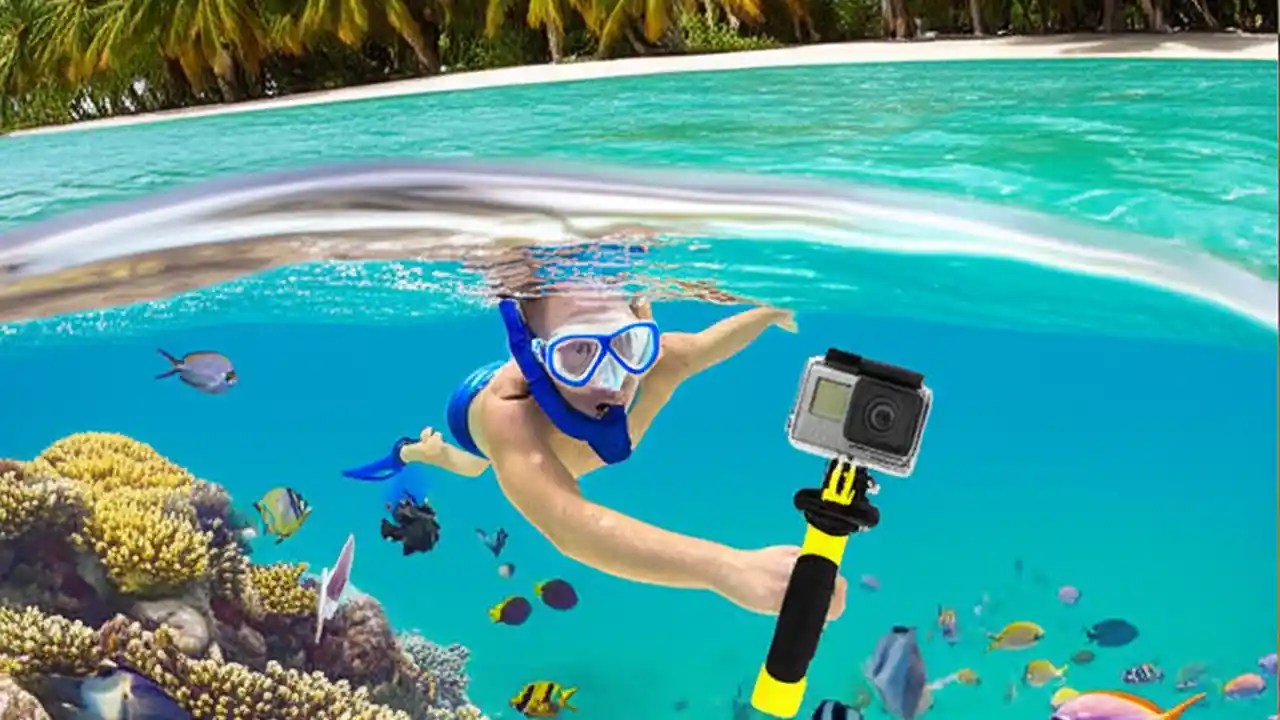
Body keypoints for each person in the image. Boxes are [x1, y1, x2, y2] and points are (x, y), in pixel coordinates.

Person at [399, 290, 848, 621]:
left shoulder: (656, 362)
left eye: (626, 345)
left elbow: (709, 344)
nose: (611, 379)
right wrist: (726, 567)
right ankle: (435, 452)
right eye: (578, 352)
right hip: (472, 411)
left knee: (508, 468)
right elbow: (569, 526)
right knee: (486, 462)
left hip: (558, 448)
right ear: (535, 353)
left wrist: (770, 313)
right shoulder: (508, 411)